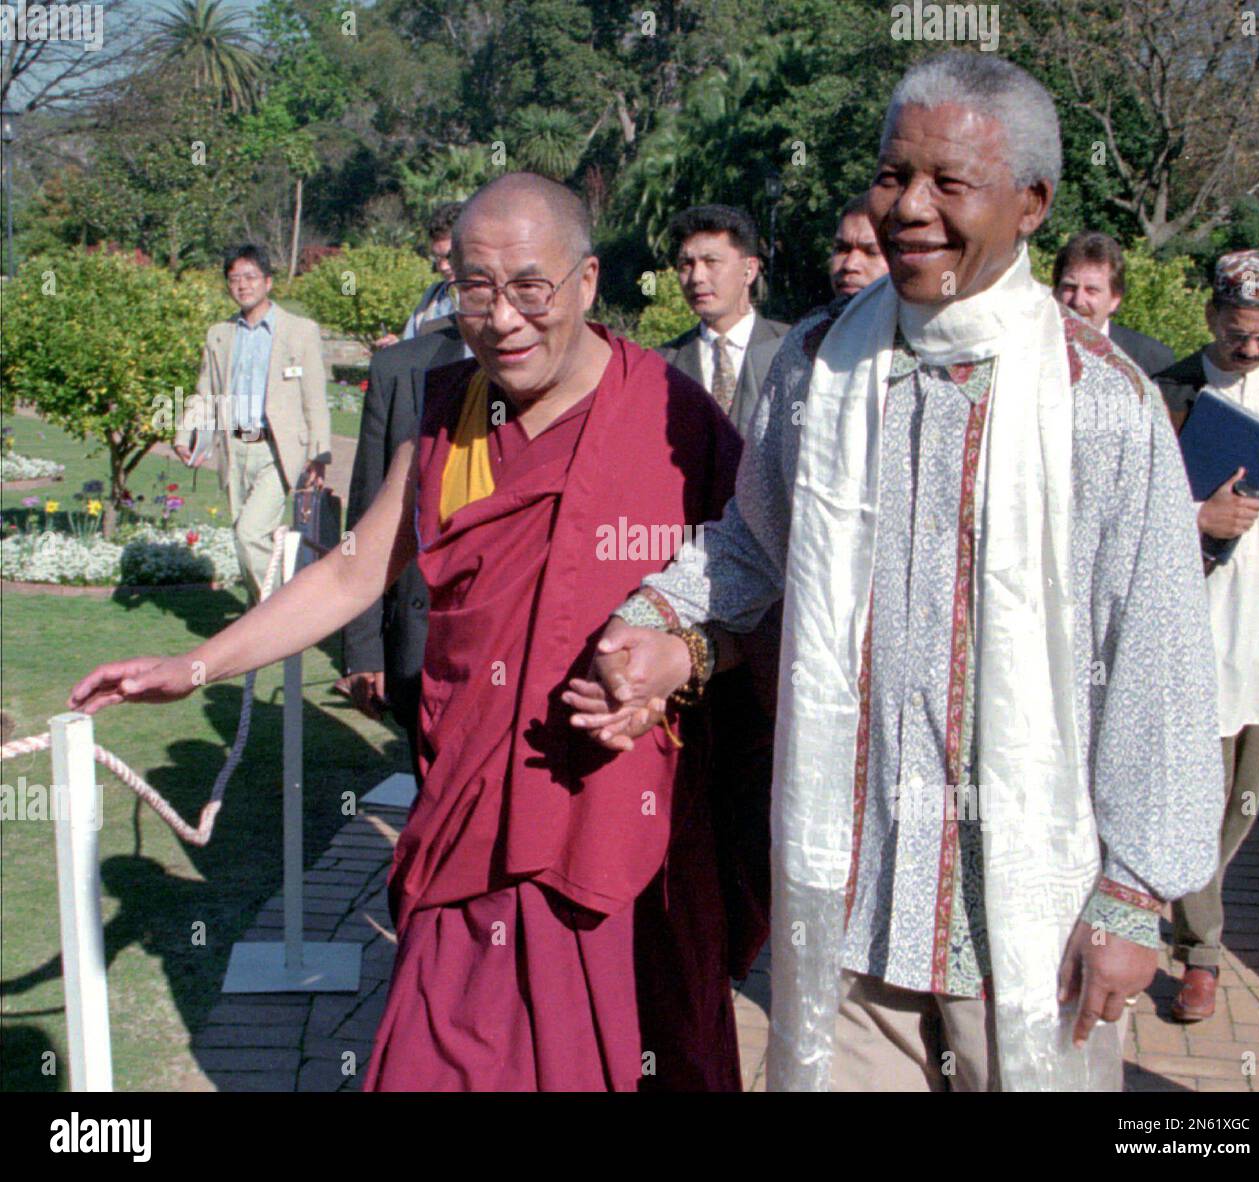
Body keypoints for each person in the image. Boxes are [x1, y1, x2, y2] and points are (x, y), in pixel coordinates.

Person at [568, 51, 1224, 1092]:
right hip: (851, 892)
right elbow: (753, 544)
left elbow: (1153, 659)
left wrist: (1134, 896)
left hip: (1026, 920)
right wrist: (662, 616)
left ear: (1031, 203)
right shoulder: (820, 366)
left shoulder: (1099, 403)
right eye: (889, 175)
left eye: (947, 184)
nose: (906, 209)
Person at [71, 172, 758, 1093]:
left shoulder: (675, 420)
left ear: (588, 283)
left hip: (616, 821)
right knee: (437, 1059)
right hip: (472, 816)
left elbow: (757, 598)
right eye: (477, 288)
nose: (503, 318)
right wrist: (194, 664)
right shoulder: (451, 417)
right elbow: (355, 569)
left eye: (530, 287)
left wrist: (681, 661)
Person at [1154, 249, 1259, 1022]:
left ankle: (1184, 910)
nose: (1250, 351)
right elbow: (1126, 521)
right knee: (1199, 799)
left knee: (1243, 807)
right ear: (1213, 315)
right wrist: (1197, 521)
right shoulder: (1168, 395)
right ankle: (1201, 950)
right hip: (1196, 635)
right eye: (1240, 333)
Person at [340, 319, 469, 777]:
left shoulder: (581, 369)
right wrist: (363, 649)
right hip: (421, 646)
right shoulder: (400, 368)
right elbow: (366, 516)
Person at [174, 243, 329, 604]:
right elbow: (205, 392)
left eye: (250, 277)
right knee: (245, 537)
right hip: (234, 450)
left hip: (277, 452)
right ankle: (261, 611)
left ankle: (274, 617)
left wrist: (319, 455)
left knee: (250, 533)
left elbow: (315, 397)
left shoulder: (300, 331)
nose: (242, 286)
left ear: (268, 282)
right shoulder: (219, 335)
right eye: (234, 279)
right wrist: (185, 434)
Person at [656, 205, 788, 438]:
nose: (697, 277)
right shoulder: (661, 364)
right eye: (686, 265)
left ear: (750, 269)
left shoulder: (792, 348)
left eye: (711, 262)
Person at [1052, 231, 1175, 377]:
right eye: (1069, 288)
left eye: (1091, 290)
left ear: (1115, 300)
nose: (1078, 301)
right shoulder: (1030, 348)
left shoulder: (1151, 360)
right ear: (1055, 292)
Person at [373, 202, 463, 348]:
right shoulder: (431, 298)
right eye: (437, 258)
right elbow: (413, 345)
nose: (443, 266)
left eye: (450, 256)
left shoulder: (493, 296)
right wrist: (397, 348)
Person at [828, 193, 890, 299]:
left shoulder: (925, 315)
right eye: (841, 249)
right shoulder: (818, 315)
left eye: (871, 252)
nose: (849, 265)